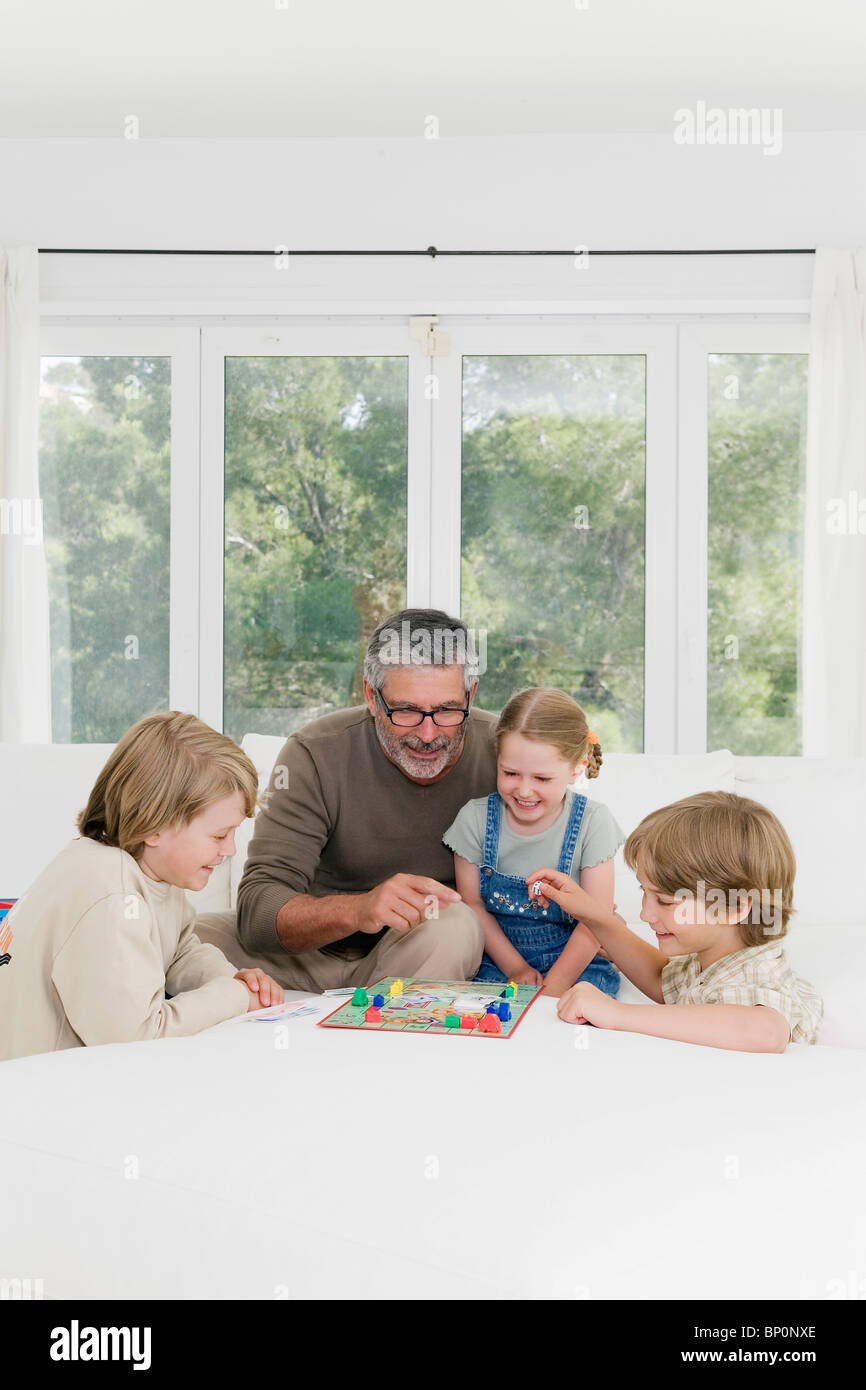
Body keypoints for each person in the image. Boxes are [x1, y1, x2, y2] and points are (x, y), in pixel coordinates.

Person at [197, 610, 498, 990]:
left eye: (447, 710)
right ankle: (375, 1005)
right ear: (371, 697)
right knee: (185, 936)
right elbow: (258, 911)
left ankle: (385, 1023)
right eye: (405, 710)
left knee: (454, 924)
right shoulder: (314, 752)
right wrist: (360, 910)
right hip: (309, 956)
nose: (427, 733)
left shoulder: (505, 751)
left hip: (421, 953)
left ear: (470, 695)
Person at [0, 712, 284, 1062]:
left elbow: (178, 951)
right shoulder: (110, 890)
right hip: (36, 1089)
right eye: (219, 835)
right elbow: (137, 1036)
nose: (230, 850)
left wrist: (230, 978)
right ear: (155, 827)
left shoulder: (151, 871)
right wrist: (234, 996)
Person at [532, 791, 824, 1050]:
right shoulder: (717, 957)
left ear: (734, 907)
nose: (646, 914)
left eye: (666, 901)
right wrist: (594, 915)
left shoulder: (756, 974)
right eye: (644, 892)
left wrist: (617, 1013)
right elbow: (664, 982)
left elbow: (765, 1032)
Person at [442, 687, 623, 997]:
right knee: (478, 1006)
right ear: (497, 760)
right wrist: (515, 969)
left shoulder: (593, 823)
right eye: (510, 773)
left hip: (574, 961)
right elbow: (473, 905)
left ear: (576, 768)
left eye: (541, 779)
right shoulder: (475, 820)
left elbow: (597, 918)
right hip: (498, 959)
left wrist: (556, 985)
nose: (524, 791)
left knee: (587, 1002)